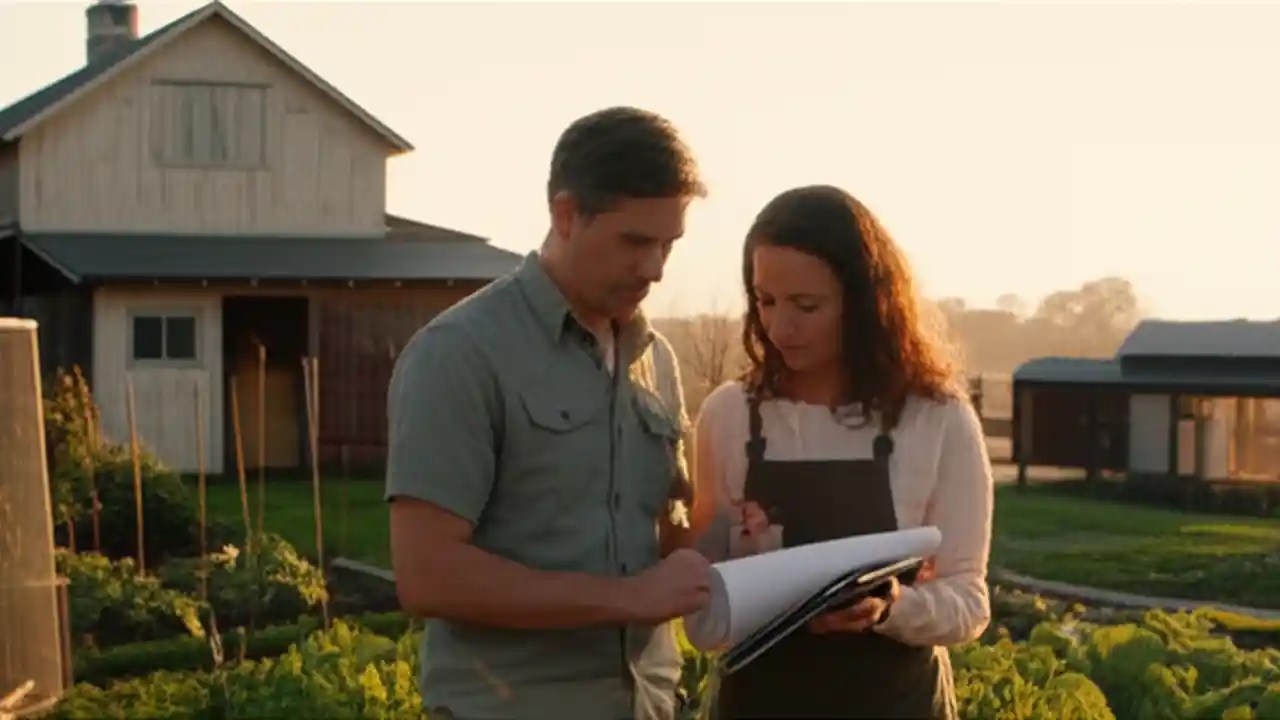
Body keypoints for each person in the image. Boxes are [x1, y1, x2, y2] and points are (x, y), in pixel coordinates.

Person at [385, 106, 713, 720]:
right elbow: (428, 576)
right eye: (636, 242)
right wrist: (626, 599)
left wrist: (733, 543)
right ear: (566, 216)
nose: (656, 269)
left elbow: (664, 541)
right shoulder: (459, 355)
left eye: (669, 244)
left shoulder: (656, 361)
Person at [689, 185, 994, 719]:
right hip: (759, 703)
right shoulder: (729, 415)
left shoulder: (935, 417)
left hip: (895, 702)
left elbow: (969, 601)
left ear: (867, 300)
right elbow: (703, 605)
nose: (780, 327)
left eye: (806, 306)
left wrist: (891, 609)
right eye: (765, 302)